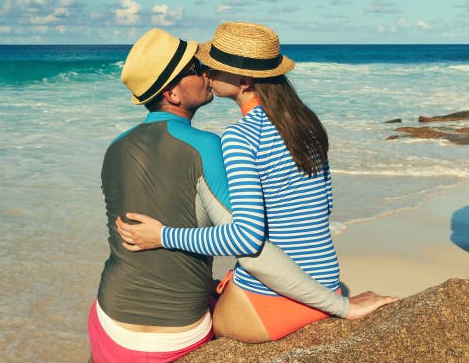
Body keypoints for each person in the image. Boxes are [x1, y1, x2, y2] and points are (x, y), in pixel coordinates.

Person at [90, 28, 386, 363]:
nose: (206, 71)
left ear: (244, 82)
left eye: (210, 66)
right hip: (313, 283)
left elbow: (245, 240)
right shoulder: (304, 125)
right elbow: (313, 212)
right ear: (172, 94)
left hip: (108, 319)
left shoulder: (114, 149)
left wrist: (162, 235)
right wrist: (340, 303)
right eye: (197, 68)